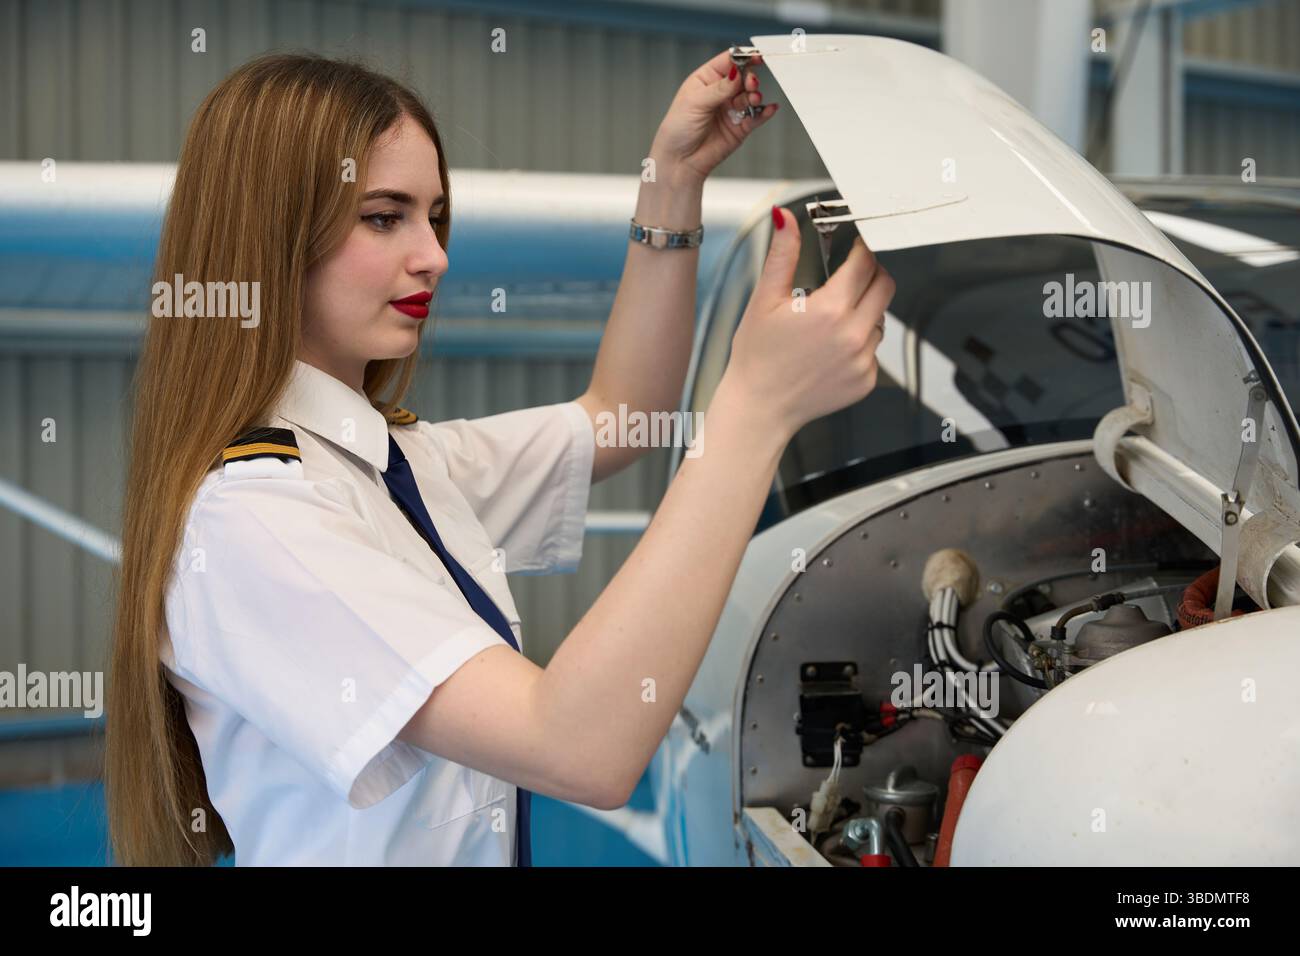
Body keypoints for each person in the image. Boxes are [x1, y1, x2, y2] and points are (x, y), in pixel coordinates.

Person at [105, 50, 892, 866]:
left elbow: (622, 417)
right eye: (384, 217)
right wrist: (756, 412)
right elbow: (579, 748)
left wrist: (672, 180)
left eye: (433, 217)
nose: (434, 257)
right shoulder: (258, 519)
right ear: (270, 235)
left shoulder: (393, 462)